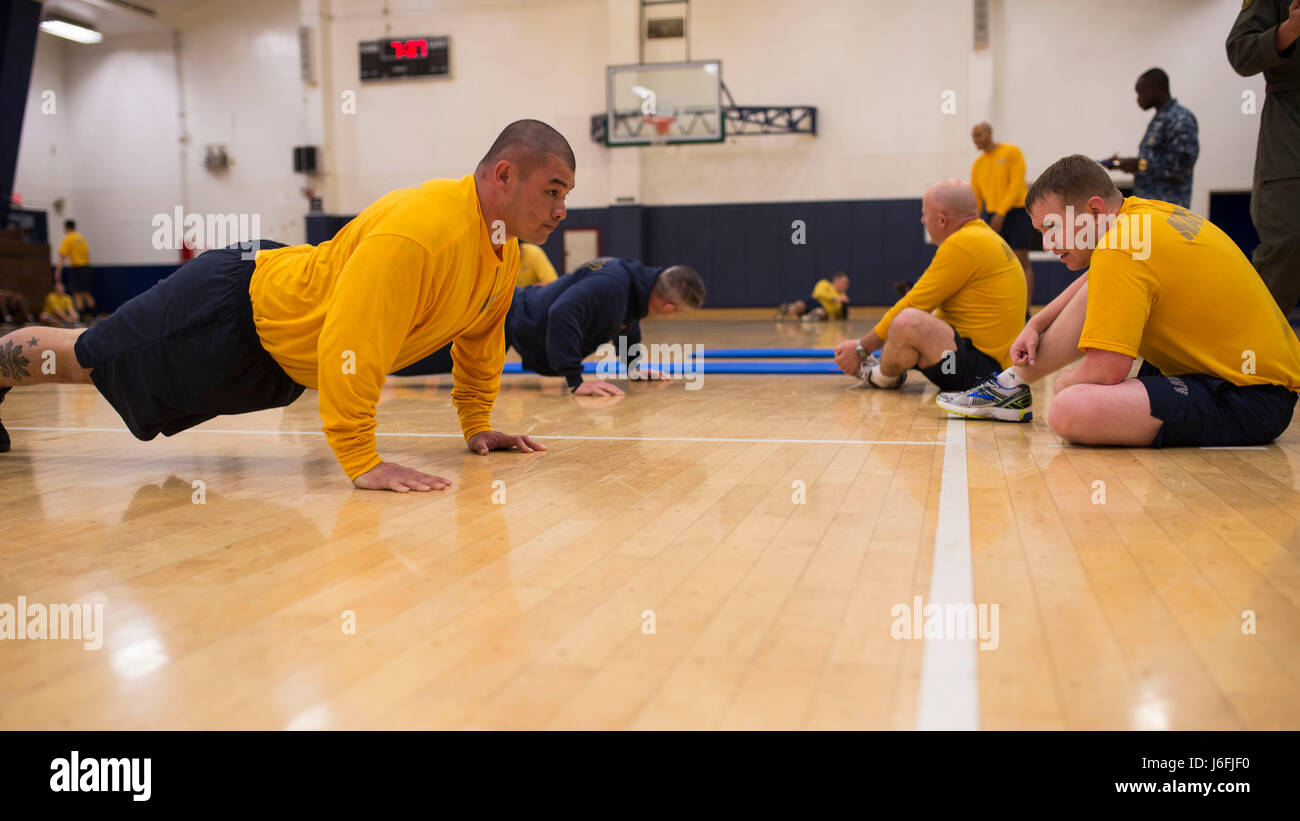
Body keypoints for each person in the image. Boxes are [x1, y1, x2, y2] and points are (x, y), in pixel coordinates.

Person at [0, 120, 573, 482]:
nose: (560, 209)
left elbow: (479, 341)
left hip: (272, 359)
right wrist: (361, 459)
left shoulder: (500, 251)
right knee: (88, 359)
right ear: (504, 174)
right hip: (229, 309)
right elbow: (354, 338)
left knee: (108, 373)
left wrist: (477, 424)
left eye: (565, 196)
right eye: (552, 191)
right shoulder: (424, 231)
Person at [937, 155, 1300, 448]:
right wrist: (1036, 323)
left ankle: (1012, 387)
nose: (1048, 244)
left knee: (1069, 409)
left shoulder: (1118, 246)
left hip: (1249, 399)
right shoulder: (1139, 217)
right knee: (1082, 383)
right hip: (1245, 380)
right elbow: (1095, 280)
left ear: (1093, 210)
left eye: (1051, 227)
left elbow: (1108, 371)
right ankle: (1010, 383)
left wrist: (1065, 385)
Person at [395, 257, 705, 396]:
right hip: (504, 317)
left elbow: (626, 325)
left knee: (438, 359)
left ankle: (384, 361)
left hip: (516, 315)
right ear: (668, 307)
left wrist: (634, 367)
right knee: (429, 359)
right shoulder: (613, 286)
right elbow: (562, 314)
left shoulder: (633, 286)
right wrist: (575, 380)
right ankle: (376, 364)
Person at [832, 179, 1025, 392]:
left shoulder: (961, 243)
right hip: (989, 362)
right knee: (919, 324)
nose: (923, 220)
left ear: (942, 220)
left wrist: (861, 348)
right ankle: (889, 374)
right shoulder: (982, 236)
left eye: (925, 214)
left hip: (983, 372)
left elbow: (912, 303)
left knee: (907, 321)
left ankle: (878, 377)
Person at [1226, 0, 1300, 316]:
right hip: (1291, 123)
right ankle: (1251, 353)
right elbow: (1241, 52)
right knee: (1287, 241)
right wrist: (1291, 29)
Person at [1104, 68, 1199, 209]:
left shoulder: (1180, 117)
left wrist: (1140, 164)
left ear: (1155, 88)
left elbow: (1183, 162)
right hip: (1151, 208)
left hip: (1169, 210)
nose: (1138, 98)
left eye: (1140, 92)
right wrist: (1129, 164)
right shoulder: (1160, 118)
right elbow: (1153, 160)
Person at [970, 122, 1034, 308]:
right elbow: (976, 196)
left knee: (1022, 260)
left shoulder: (1011, 152)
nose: (975, 139)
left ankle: (1025, 310)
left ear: (989, 133)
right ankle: (1004, 307)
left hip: (1016, 211)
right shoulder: (978, 164)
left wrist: (1002, 211)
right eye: (973, 136)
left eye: (978, 135)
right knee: (998, 262)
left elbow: (1016, 184)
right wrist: (974, 220)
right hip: (992, 215)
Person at [53, 219, 95, 319]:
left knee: (77, 294)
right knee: (86, 293)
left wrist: (58, 271)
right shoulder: (82, 238)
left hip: (77, 269)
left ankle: (80, 319)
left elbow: (62, 257)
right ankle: (95, 316)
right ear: (75, 227)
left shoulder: (68, 239)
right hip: (87, 267)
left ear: (66, 228)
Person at [776, 272, 850, 321]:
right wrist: (834, 298)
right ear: (836, 280)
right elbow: (818, 293)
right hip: (814, 302)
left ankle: (807, 318)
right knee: (800, 306)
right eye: (844, 283)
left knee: (821, 313)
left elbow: (838, 316)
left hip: (823, 311)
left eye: (847, 284)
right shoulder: (825, 283)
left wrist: (845, 311)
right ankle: (786, 309)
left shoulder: (843, 297)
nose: (846, 286)